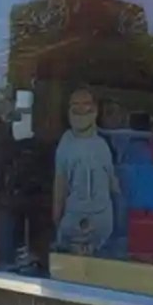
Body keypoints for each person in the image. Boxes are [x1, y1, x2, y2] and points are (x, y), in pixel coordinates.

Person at [52, 88, 119, 255]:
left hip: (103, 222)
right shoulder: (66, 144)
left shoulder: (103, 145)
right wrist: (57, 219)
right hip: (73, 219)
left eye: (86, 104)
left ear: (95, 110)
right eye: (76, 104)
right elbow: (60, 185)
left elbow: (114, 185)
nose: (81, 109)